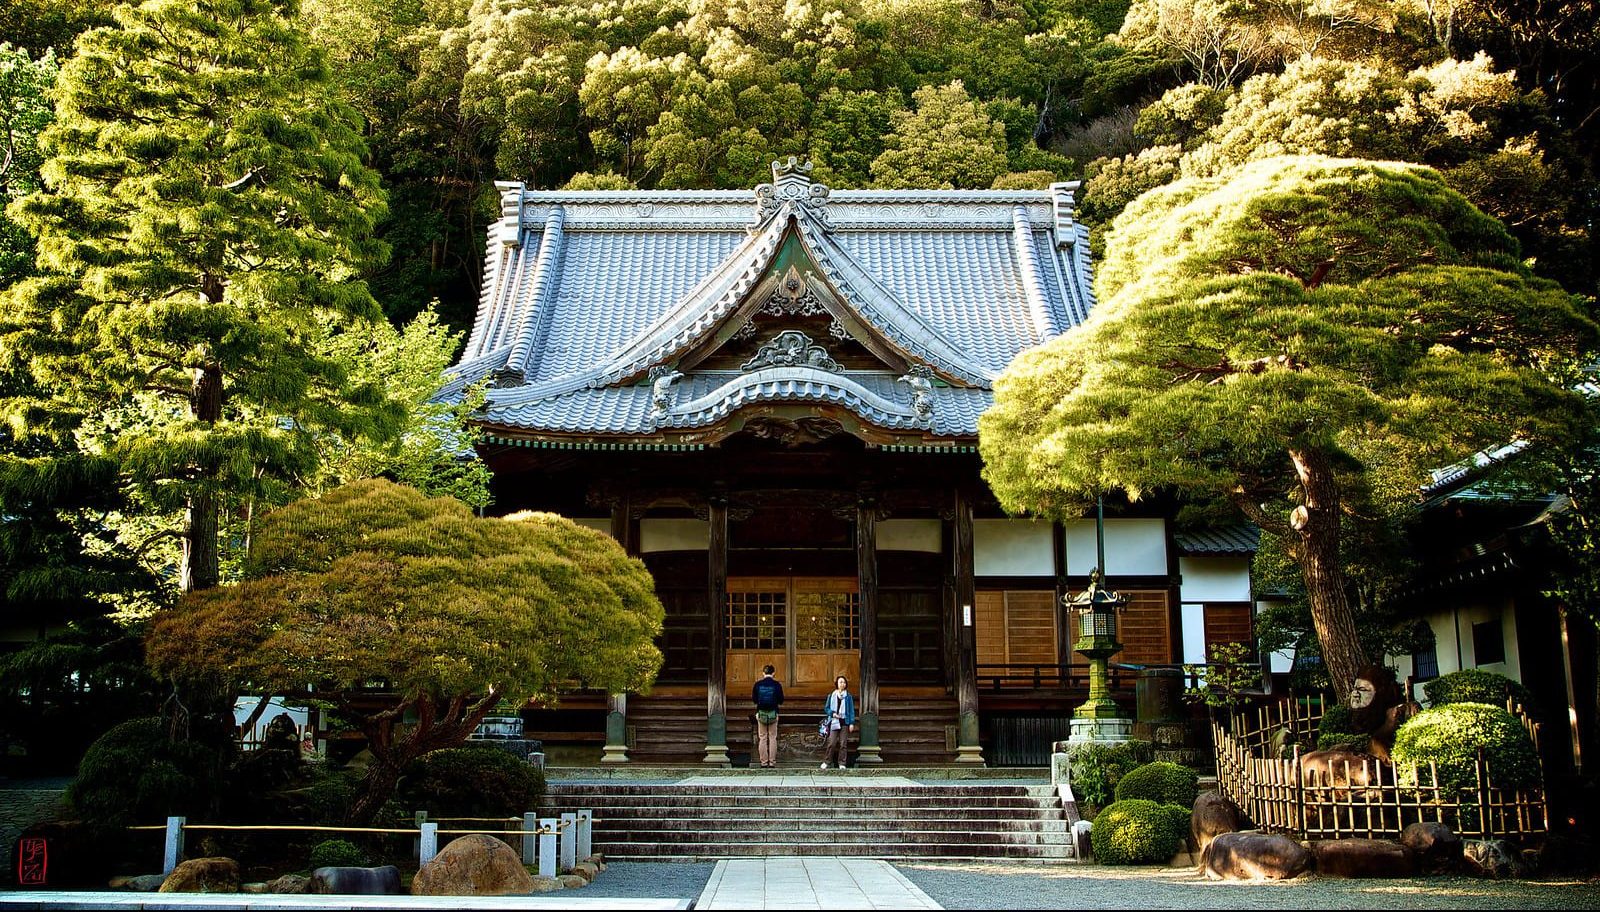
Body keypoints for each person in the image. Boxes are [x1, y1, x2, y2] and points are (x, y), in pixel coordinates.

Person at [820, 674, 857, 770]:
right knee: (831, 743)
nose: (842, 684)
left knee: (843, 743)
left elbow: (851, 710)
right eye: (840, 682)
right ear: (837, 684)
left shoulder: (848, 697)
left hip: (844, 722)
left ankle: (842, 763)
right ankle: (827, 761)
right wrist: (832, 713)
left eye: (844, 682)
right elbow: (826, 708)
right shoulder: (831, 695)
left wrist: (852, 723)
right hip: (834, 722)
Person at [752, 664, 785, 769]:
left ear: (763, 673)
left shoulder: (758, 684)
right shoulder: (777, 685)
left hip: (761, 713)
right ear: (773, 673)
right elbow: (781, 700)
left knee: (762, 738)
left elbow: (754, 700)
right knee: (772, 737)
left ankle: (763, 762)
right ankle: (772, 762)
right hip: (773, 713)